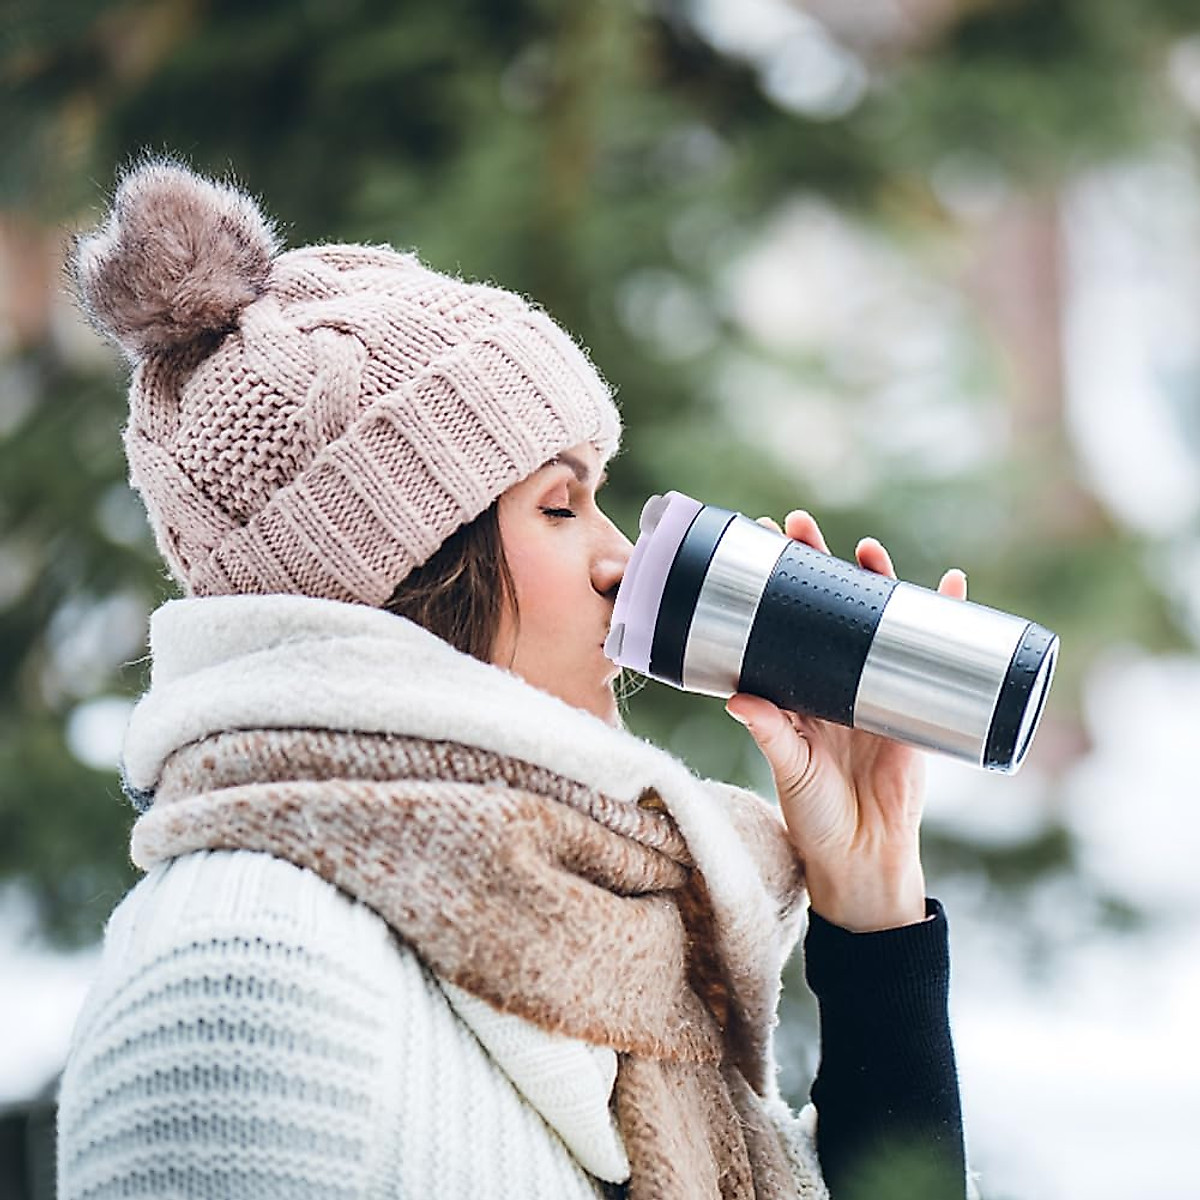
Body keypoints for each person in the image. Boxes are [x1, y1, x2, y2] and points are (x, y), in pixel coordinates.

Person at [56, 159, 971, 1200]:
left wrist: (872, 915)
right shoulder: (244, 977)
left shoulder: (595, 946)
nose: (620, 559)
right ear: (404, 564)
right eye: (558, 504)